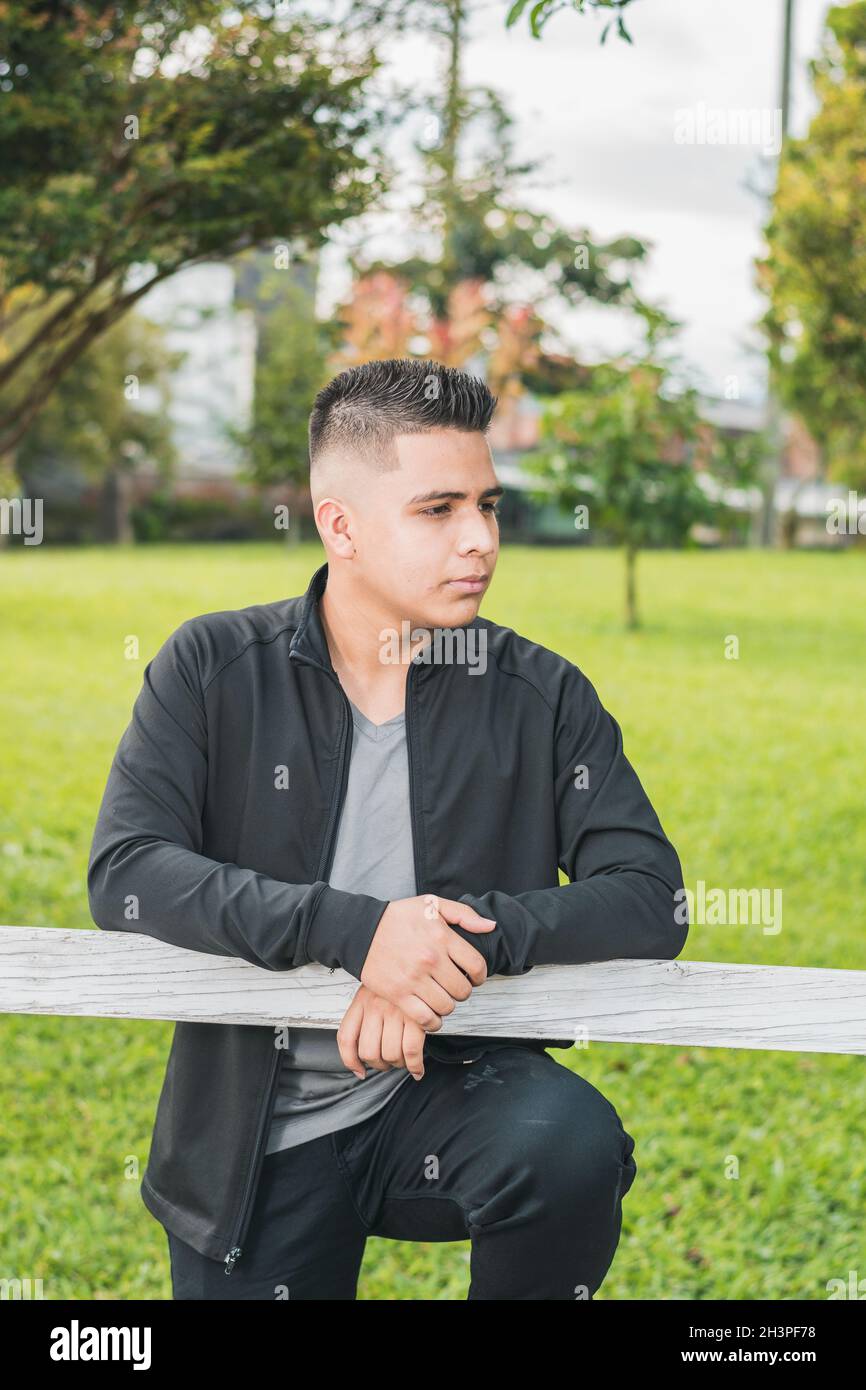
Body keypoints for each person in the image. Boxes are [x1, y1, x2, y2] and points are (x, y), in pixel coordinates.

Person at [87, 357, 688, 1300]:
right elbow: (128, 871)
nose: (481, 540)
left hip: (445, 1098)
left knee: (567, 1146)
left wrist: (446, 940)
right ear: (341, 527)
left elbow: (652, 900)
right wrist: (359, 933)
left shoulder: (540, 694)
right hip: (254, 1140)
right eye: (438, 509)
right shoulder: (212, 666)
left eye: (487, 506)